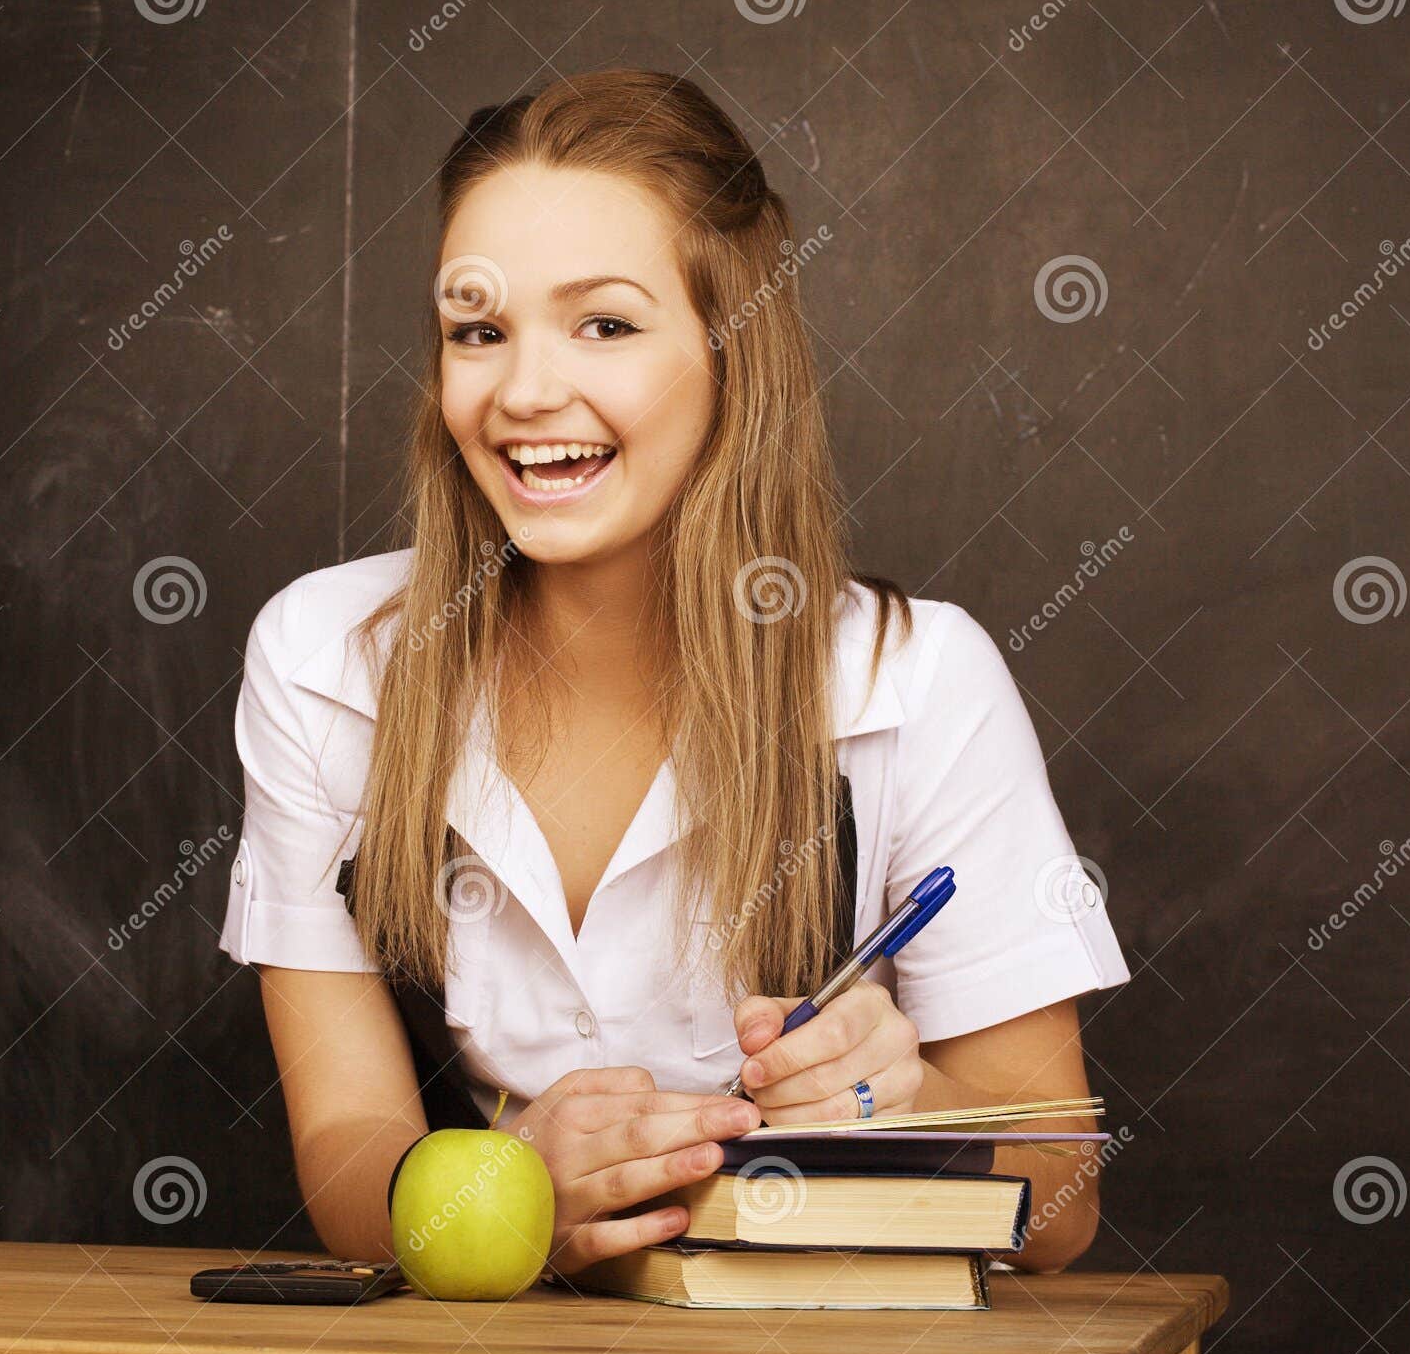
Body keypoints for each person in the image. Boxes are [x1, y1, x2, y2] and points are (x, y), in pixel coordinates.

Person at [220, 69, 1130, 1279]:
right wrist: (506, 1193)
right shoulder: (325, 662)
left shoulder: (918, 680)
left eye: (605, 323)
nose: (526, 391)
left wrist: (907, 1097)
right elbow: (346, 1142)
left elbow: (1060, 1201)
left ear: (731, 355)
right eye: (477, 330)